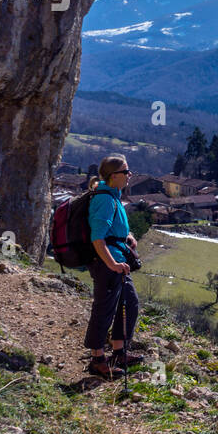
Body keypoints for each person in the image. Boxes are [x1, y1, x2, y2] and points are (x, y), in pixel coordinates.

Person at [84, 155, 143, 377]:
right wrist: (113, 264)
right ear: (114, 176)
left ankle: (119, 351)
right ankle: (97, 359)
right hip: (108, 264)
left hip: (118, 263)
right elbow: (98, 238)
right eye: (126, 172)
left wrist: (127, 236)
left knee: (129, 303)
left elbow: (111, 231)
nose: (130, 175)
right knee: (103, 310)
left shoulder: (113, 197)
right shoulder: (105, 200)